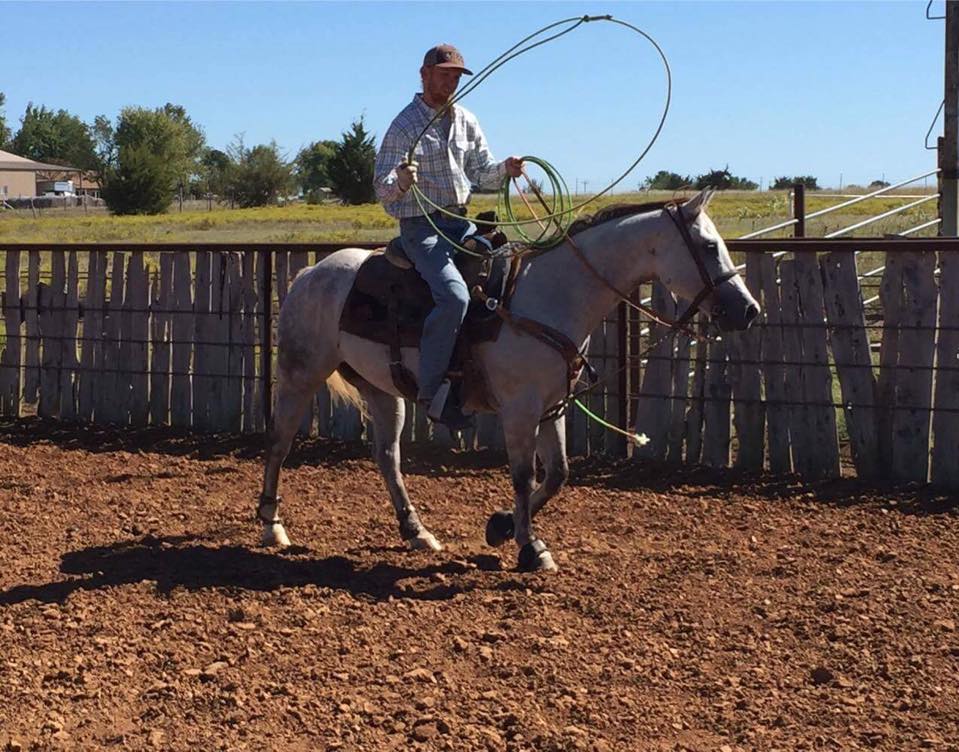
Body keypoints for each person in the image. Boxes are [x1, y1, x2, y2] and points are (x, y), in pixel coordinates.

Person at [374, 43, 523, 429]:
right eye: (444, 75)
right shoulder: (404, 125)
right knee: (455, 296)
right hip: (421, 228)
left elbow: (481, 172)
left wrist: (505, 169)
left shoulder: (467, 120)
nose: (451, 82)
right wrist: (400, 181)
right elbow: (382, 188)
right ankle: (432, 392)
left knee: (509, 269)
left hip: (460, 223)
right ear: (424, 74)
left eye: (456, 76)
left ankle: (480, 371)